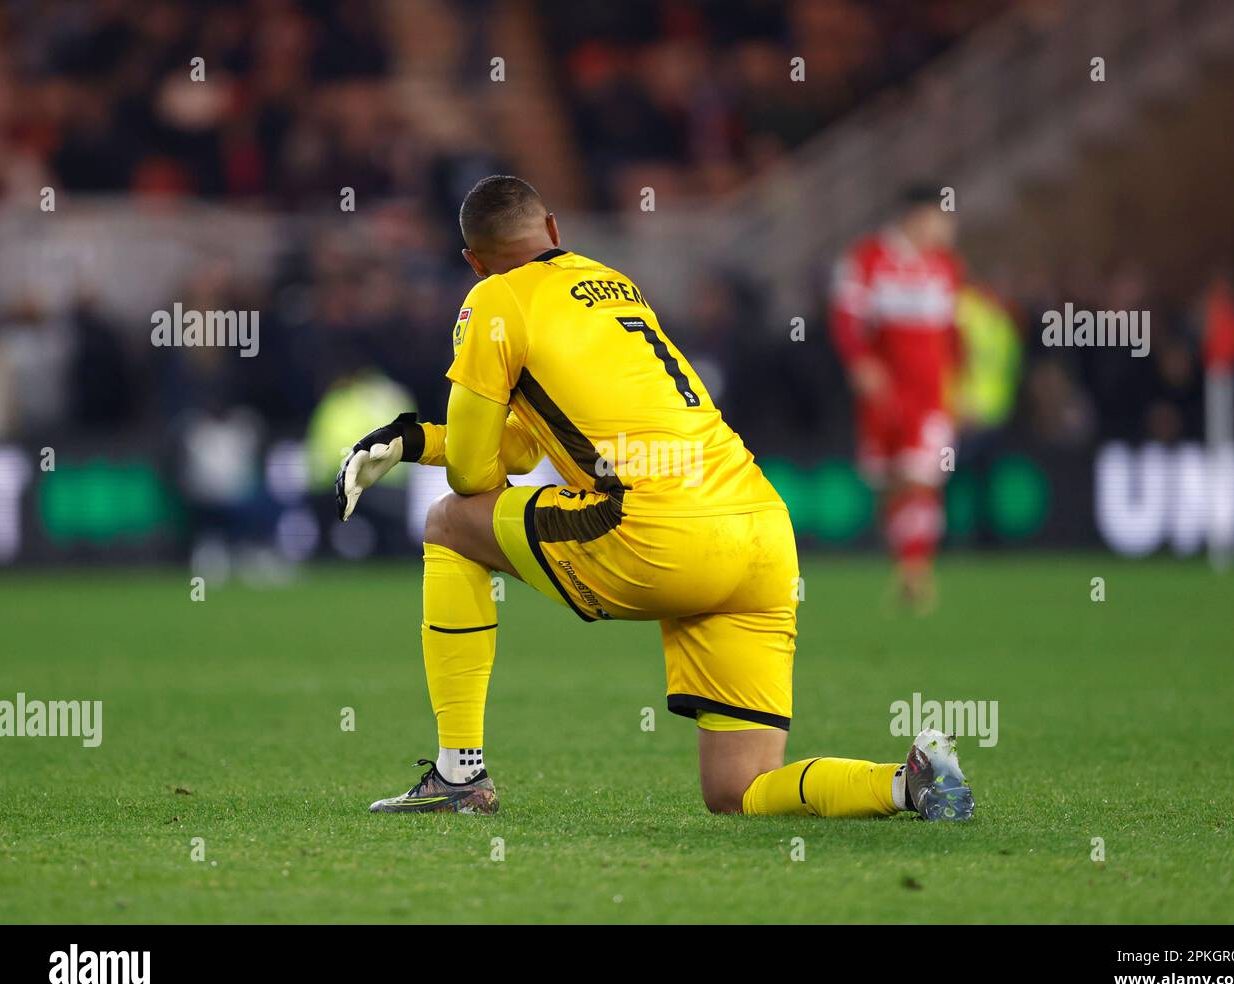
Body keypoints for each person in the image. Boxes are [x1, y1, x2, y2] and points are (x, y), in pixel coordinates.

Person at [336, 175, 973, 821]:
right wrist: (416, 442)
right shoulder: (613, 285)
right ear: (554, 231)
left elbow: (476, 476)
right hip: (758, 529)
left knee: (448, 523)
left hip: (658, 532)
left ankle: (458, 775)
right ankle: (907, 784)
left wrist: (435, 445)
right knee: (740, 789)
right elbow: (531, 443)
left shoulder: (493, 300)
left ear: (474, 262)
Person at [830, 183, 963, 610]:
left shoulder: (946, 266)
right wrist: (859, 363)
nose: (948, 225)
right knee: (887, 482)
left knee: (921, 476)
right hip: (884, 393)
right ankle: (907, 563)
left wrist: (961, 385)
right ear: (916, 217)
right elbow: (846, 317)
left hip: (930, 396)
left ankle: (915, 572)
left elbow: (952, 335)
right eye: (942, 215)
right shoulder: (867, 259)